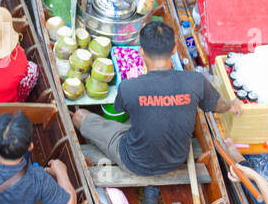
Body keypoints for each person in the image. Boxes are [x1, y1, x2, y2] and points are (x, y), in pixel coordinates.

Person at [72, 20, 241, 178]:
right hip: (177, 159)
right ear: (174, 49)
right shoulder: (196, 81)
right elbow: (219, 106)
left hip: (134, 162)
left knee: (80, 117)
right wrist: (231, 106)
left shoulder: (129, 87)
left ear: (141, 52)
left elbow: (120, 109)